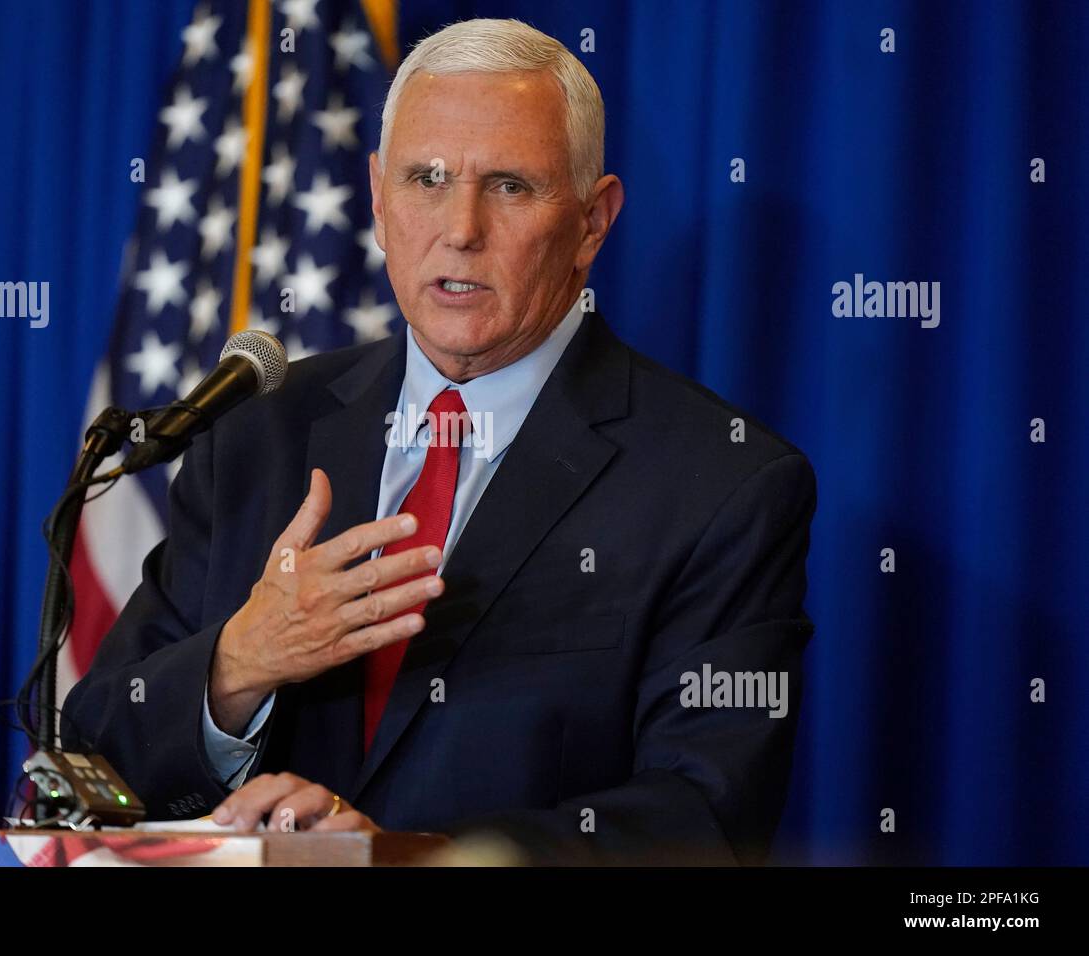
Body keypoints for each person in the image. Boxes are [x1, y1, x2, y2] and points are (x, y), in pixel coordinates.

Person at [62, 18, 817, 865]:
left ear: (593, 221)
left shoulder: (721, 484)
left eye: (510, 186)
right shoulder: (254, 433)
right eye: (427, 178)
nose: (461, 227)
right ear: (380, 200)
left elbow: (706, 813)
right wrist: (240, 663)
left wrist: (413, 859)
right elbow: (93, 760)